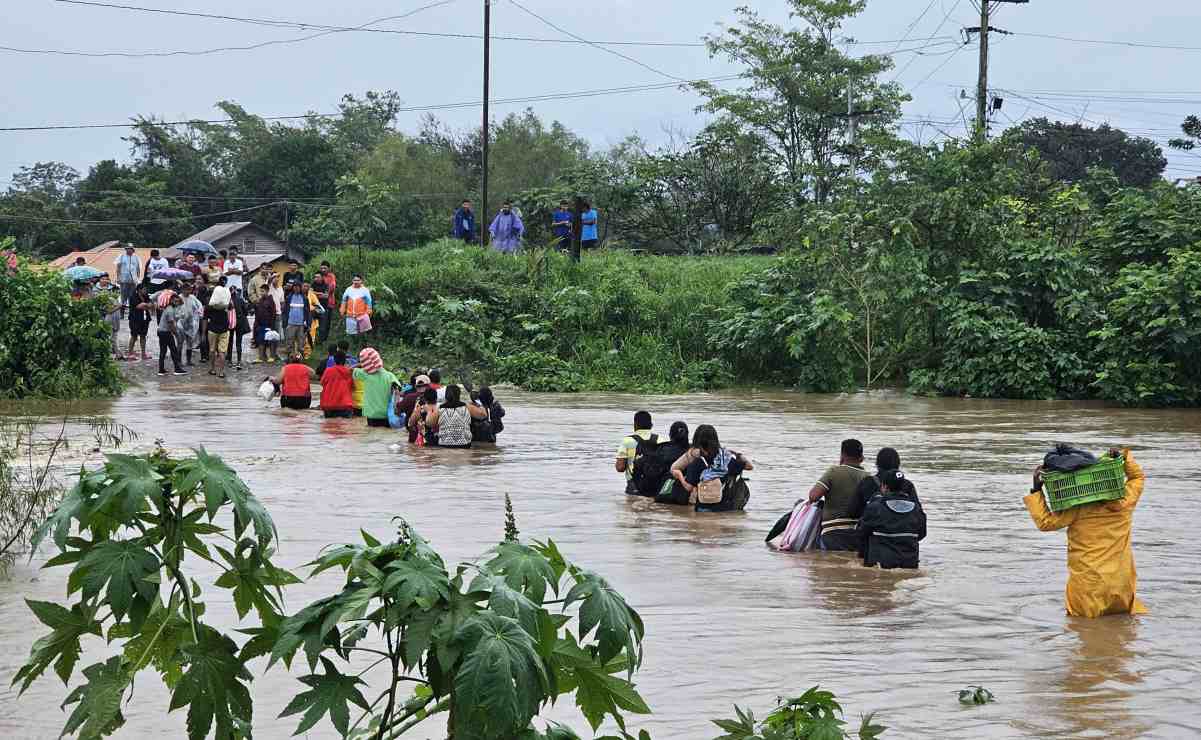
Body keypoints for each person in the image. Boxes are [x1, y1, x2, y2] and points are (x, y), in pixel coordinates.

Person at [1025, 448, 1148, 618]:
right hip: (1121, 583)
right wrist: (1124, 458)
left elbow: (1045, 523)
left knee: (1083, 627)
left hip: (1088, 586)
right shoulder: (1124, 502)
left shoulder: (1075, 509)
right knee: (1123, 626)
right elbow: (1137, 478)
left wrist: (1036, 490)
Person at [852, 447, 919, 559]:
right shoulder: (908, 485)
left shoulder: (867, 483)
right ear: (898, 464)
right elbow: (919, 523)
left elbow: (853, 512)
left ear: (877, 464)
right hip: (906, 552)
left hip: (876, 549)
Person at [669, 425, 753, 512]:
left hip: (703, 508)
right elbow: (749, 466)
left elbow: (689, 487)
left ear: (698, 443)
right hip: (724, 508)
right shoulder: (726, 460)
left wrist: (680, 476)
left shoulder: (697, 463)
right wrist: (737, 454)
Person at [805, 439, 869, 551]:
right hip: (857, 534)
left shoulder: (834, 472)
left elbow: (813, 496)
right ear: (861, 457)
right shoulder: (868, 477)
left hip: (832, 532)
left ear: (843, 455)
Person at [858, 469, 926, 569]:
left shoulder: (875, 507)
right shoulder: (916, 509)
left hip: (881, 563)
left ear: (884, 487)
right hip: (910, 563)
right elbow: (922, 534)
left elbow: (862, 532)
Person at [425, 384, 487, 448]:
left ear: (446, 395)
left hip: (445, 444)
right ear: (459, 395)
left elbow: (429, 423)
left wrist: (429, 411)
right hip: (464, 444)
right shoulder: (467, 407)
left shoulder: (440, 408)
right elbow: (483, 415)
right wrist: (479, 403)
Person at [615, 411, 658, 496]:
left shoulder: (627, 441)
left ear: (635, 425)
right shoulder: (661, 440)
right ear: (651, 425)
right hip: (656, 486)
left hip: (634, 487)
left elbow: (620, 468)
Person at [353, 348, 400, 428]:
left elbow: (350, 370)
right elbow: (397, 392)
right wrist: (395, 408)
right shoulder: (390, 376)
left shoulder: (364, 374)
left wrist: (361, 364)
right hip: (387, 415)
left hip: (372, 416)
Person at [653, 421, 693, 505]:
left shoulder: (662, 449)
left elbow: (654, 473)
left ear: (670, 435)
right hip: (687, 494)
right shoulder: (694, 451)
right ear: (687, 434)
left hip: (664, 493)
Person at [205, 280, 232, 378]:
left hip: (212, 329)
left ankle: (212, 369)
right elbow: (231, 307)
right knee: (222, 352)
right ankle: (221, 372)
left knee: (212, 350)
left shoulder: (210, 305)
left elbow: (205, 318)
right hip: (224, 329)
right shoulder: (226, 304)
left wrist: (204, 332)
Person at [319, 349, 356, 418]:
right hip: (345, 407)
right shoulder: (349, 372)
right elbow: (353, 387)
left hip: (329, 407)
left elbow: (322, 383)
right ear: (345, 361)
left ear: (334, 360)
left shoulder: (328, 371)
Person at [157, 293, 187, 376]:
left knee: (163, 351)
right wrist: (176, 335)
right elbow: (171, 325)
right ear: (171, 301)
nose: (177, 303)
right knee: (173, 350)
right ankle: (177, 369)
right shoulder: (170, 310)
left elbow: (173, 318)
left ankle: (161, 370)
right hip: (165, 332)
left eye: (177, 301)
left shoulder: (170, 308)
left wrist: (179, 300)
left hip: (162, 331)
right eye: (175, 301)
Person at [95, 274, 124, 359]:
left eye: (106, 279)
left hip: (114, 314)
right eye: (103, 279)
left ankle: (117, 354)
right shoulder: (95, 290)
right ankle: (109, 354)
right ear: (99, 280)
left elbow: (120, 303)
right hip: (103, 315)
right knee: (106, 335)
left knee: (114, 335)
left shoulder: (114, 288)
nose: (105, 281)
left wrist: (112, 309)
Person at [398, 374, 431, 441]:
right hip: (430, 437)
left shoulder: (409, 397)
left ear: (416, 386)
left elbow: (397, 411)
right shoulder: (433, 398)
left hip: (413, 435)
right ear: (429, 386)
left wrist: (396, 396)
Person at [178, 283, 204, 366]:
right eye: (187, 289)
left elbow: (199, 306)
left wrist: (199, 312)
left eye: (190, 289)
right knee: (180, 342)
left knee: (189, 342)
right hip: (180, 323)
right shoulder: (178, 298)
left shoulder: (192, 298)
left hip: (190, 323)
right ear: (182, 290)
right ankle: (178, 361)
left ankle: (188, 361)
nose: (188, 291)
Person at [283, 282, 310, 359]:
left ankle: (300, 359)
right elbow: (285, 311)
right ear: (293, 288)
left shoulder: (304, 298)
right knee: (289, 341)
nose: (296, 288)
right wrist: (285, 322)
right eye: (295, 286)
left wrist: (308, 323)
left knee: (301, 343)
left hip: (301, 324)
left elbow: (308, 312)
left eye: (298, 286)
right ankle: (289, 358)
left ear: (300, 288)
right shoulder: (289, 298)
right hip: (290, 323)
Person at [125, 285, 152, 361]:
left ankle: (143, 354)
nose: (145, 291)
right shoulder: (133, 297)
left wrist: (145, 305)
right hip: (135, 319)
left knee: (143, 336)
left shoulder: (146, 296)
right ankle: (130, 353)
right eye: (144, 289)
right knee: (134, 336)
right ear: (139, 290)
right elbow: (139, 306)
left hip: (145, 319)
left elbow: (151, 305)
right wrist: (146, 305)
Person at [253, 284, 279, 363]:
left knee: (271, 340)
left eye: (263, 291)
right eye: (260, 291)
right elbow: (257, 313)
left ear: (267, 291)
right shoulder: (260, 300)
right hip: (260, 325)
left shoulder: (271, 301)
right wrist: (256, 325)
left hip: (269, 325)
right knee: (260, 340)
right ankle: (261, 357)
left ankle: (272, 356)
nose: (261, 293)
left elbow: (273, 314)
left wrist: (272, 326)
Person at [114, 244, 141, 315]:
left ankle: (131, 312)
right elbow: (118, 267)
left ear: (133, 250)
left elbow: (138, 268)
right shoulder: (121, 256)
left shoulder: (136, 257)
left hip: (133, 280)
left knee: (132, 296)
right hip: (124, 280)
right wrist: (118, 278)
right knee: (123, 296)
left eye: (130, 249)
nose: (129, 250)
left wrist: (138, 278)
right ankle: (122, 312)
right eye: (127, 248)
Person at [315, 262, 338, 342]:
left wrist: (325, 293)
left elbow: (332, 287)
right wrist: (320, 294)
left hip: (329, 303)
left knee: (327, 322)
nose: (323, 270)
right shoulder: (318, 276)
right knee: (318, 321)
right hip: (318, 303)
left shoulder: (331, 276)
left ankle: (324, 340)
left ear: (329, 268)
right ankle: (317, 339)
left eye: (325, 268)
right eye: (322, 268)